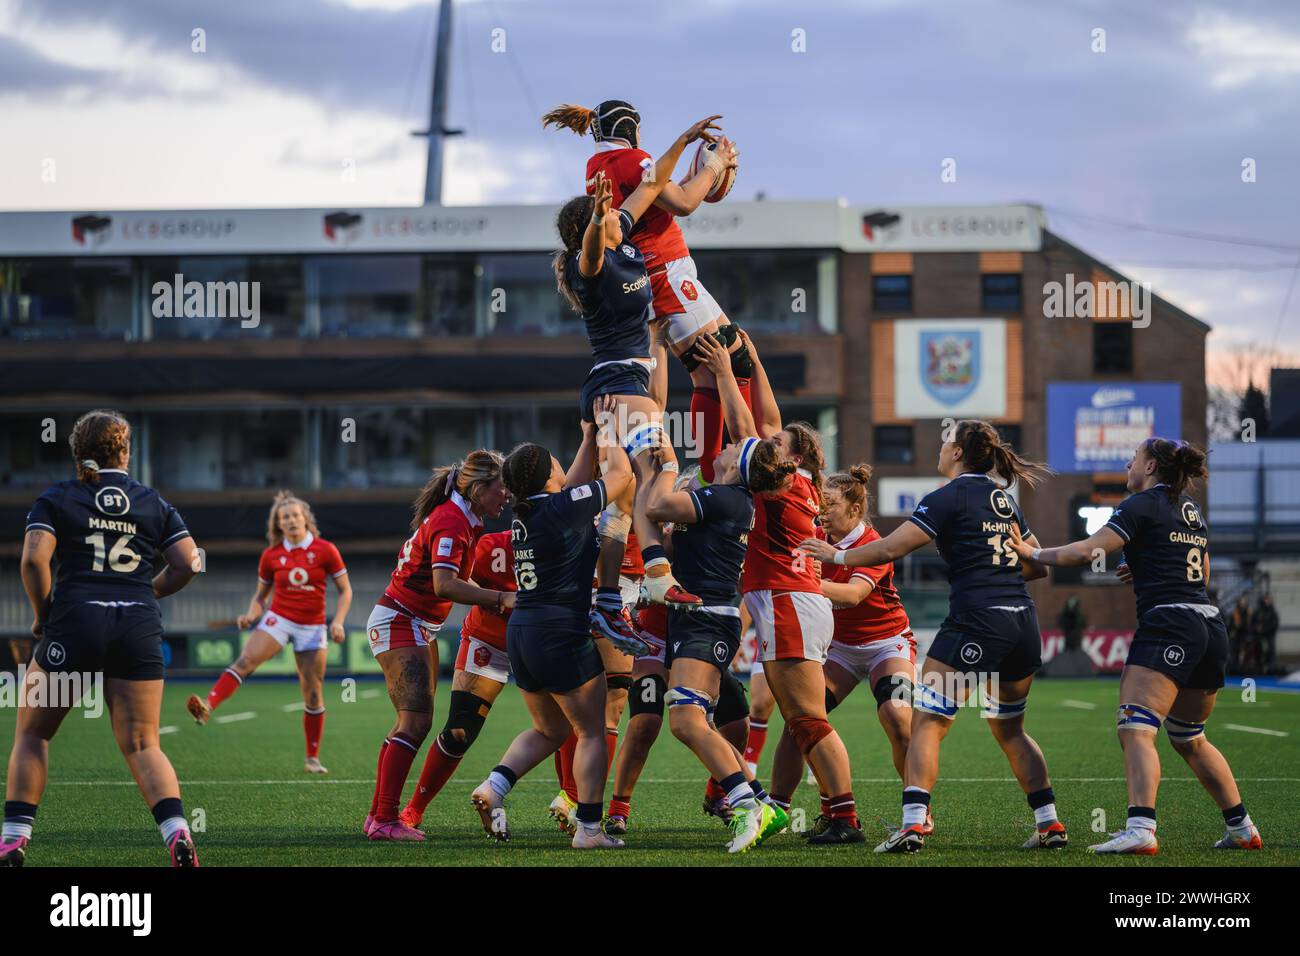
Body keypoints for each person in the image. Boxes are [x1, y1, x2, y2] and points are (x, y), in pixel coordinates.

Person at [801, 420, 1068, 854]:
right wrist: (990, 563)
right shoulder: (1004, 501)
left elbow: (890, 548)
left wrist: (838, 555)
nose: (941, 449)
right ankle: (1049, 823)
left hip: (976, 624)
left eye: (947, 443)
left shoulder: (947, 497)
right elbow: (1037, 565)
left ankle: (912, 825)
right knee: (1010, 729)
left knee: (926, 721)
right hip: (1023, 624)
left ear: (959, 453)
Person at [1004, 438, 1263, 854]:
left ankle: (1141, 829)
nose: (1129, 463)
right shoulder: (1191, 510)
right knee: (1190, 736)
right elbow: (1202, 567)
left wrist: (1033, 551)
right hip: (1208, 625)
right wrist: (1143, 567)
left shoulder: (1138, 505)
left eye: (1135, 458)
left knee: (1135, 726)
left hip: (1170, 625)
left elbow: (1087, 551)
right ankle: (1242, 828)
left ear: (1152, 467)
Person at [551, 114, 729, 635]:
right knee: (662, 470)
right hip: (615, 386)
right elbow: (588, 249)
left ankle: (605, 599)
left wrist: (684, 141)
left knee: (621, 497)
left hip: (623, 387)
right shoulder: (592, 267)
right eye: (607, 218)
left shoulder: (623, 241)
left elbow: (652, 185)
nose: (619, 218)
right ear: (593, 228)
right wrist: (596, 220)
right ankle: (655, 571)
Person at [2, 410, 200, 867]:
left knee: (33, 735)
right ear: (125, 451)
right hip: (137, 626)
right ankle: (177, 834)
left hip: (75, 623)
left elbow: (33, 561)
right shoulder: (152, 501)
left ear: (78, 454)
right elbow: (191, 563)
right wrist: (148, 590)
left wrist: (43, 615)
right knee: (143, 743)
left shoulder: (58, 497)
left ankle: (13, 842)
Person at [694, 332, 865, 845]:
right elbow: (766, 423)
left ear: (786, 458)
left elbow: (751, 432)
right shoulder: (801, 478)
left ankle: (844, 819)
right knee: (801, 720)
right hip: (795, 601)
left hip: (788, 601)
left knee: (808, 721)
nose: (768, 443)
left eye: (776, 445)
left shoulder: (781, 480)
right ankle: (836, 814)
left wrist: (727, 371)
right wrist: (754, 361)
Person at [543, 100, 752, 492]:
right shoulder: (591, 259)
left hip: (657, 285)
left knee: (735, 356)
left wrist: (685, 146)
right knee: (712, 373)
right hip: (663, 278)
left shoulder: (596, 170)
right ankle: (716, 470)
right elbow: (684, 201)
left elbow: (652, 187)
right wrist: (713, 167)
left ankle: (738, 456)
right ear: (632, 129)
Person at [470, 425, 630, 849]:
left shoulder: (531, 509)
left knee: (547, 730)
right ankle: (590, 830)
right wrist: (616, 431)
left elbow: (573, 485)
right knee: (592, 731)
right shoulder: (562, 508)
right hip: (561, 630)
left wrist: (588, 437)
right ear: (546, 476)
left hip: (522, 632)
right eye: (555, 462)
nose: (564, 465)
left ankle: (494, 787)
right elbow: (621, 477)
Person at [643, 422, 792, 852]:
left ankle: (747, 805)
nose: (724, 446)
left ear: (737, 465)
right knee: (700, 720)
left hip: (706, 617)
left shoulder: (725, 497)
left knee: (686, 722)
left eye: (732, 446)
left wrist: (668, 464)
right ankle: (763, 801)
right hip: (700, 616)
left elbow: (655, 506)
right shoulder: (726, 497)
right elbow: (669, 532)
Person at [363, 451, 513, 841]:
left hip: (413, 623)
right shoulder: (452, 521)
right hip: (401, 620)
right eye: (501, 486)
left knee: (410, 722)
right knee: (415, 722)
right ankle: (384, 821)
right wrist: (498, 599)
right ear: (479, 488)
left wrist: (498, 597)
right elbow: (444, 585)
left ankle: (379, 817)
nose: (507, 494)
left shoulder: (462, 517)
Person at [771, 464, 917, 837]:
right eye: (819, 502)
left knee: (898, 718)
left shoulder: (873, 543)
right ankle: (776, 810)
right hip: (840, 649)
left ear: (854, 510)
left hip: (888, 642)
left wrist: (805, 581)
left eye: (830, 503)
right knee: (799, 722)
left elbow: (853, 595)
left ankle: (917, 811)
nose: (821, 510)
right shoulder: (816, 535)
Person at [187, 491, 352, 773]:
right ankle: (208, 706)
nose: (290, 521)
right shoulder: (271, 555)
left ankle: (312, 759)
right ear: (278, 524)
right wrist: (251, 615)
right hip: (280, 618)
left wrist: (337, 621)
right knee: (245, 661)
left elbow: (345, 590)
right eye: (284, 517)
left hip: (312, 626)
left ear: (305, 519)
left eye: (294, 516)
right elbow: (260, 597)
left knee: (313, 695)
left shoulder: (326, 550)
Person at [397, 526, 517, 830]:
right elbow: (456, 578)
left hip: (544, 641)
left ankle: (574, 804)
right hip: (489, 639)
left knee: (564, 726)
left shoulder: (567, 539)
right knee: (460, 731)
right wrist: (495, 596)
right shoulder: (492, 545)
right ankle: (414, 808)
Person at [1250, 595, 1279, 674]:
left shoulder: (1272, 612)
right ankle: (1259, 668)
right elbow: (1252, 623)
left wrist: (1264, 629)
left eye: (1268, 599)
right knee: (1258, 652)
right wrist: (1257, 628)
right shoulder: (1258, 612)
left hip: (1269, 636)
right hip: (1259, 636)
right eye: (1266, 599)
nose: (1267, 601)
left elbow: (1274, 624)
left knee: (1270, 651)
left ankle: (1271, 669)